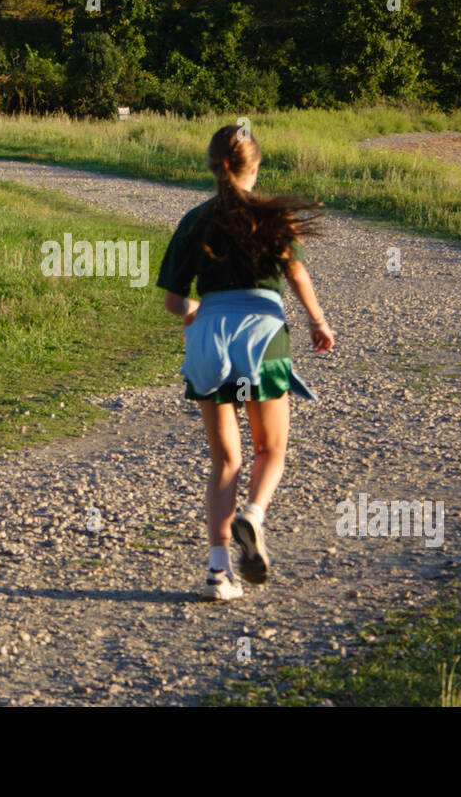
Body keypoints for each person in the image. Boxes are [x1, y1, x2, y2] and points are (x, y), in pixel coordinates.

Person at [157, 124, 335, 600]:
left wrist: (197, 310)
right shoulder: (274, 219)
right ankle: (252, 516)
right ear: (254, 169)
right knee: (270, 451)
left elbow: (175, 302)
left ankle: (218, 575)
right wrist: (319, 322)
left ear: (213, 167)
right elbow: (297, 275)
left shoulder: (195, 221)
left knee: (225, 461)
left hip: (210, 342)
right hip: (263, 338)